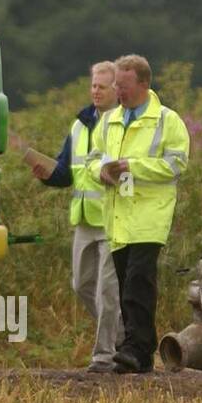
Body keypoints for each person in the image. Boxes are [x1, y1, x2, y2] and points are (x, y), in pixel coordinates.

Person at [84, 54, 190, 374]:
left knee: (137, 284)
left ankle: (136, 348)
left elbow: (176, 164)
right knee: (125, 286)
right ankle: (137, 353)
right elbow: (90, 160)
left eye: (125, 86)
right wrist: (101, 173)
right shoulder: (109, 121)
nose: (119, 91)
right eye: (116, 85)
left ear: (144, 84)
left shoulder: (167, 121)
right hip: (118, 218)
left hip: (149, 217)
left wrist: (133, 166)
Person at [33, 61, 124, 372]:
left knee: (106, 292)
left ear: (116, 89)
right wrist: (45, 174)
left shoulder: (123, 124)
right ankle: (124, 337)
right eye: (93, 85)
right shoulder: (79, 126)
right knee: (81, 285)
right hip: (84, 220)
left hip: (113, 220)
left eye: (102, 86)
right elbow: (64, 173)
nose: (95, 91)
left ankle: (104, 356)